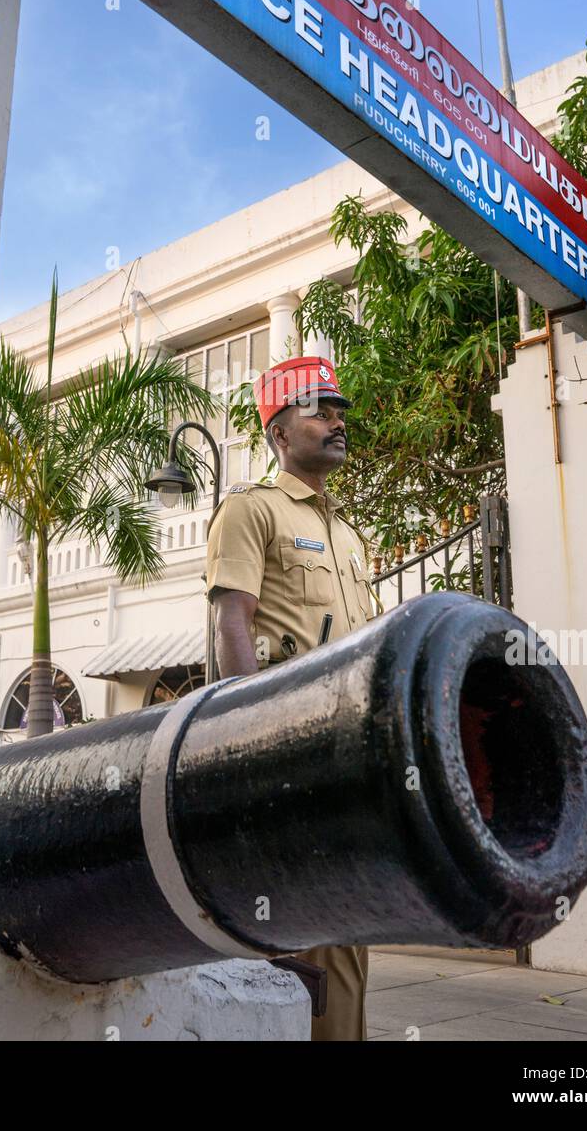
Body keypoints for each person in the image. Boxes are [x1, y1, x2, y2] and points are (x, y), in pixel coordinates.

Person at [205, 355, 375, 1041]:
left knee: (350, 932)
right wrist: (248, 743)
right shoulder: (252, 510)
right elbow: (231, 621)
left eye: (339, 411)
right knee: (302, 935)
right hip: (288, 750)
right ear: (278, 432)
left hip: (352, 752)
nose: (337, 421)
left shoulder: (350, 535)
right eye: (320, 411)